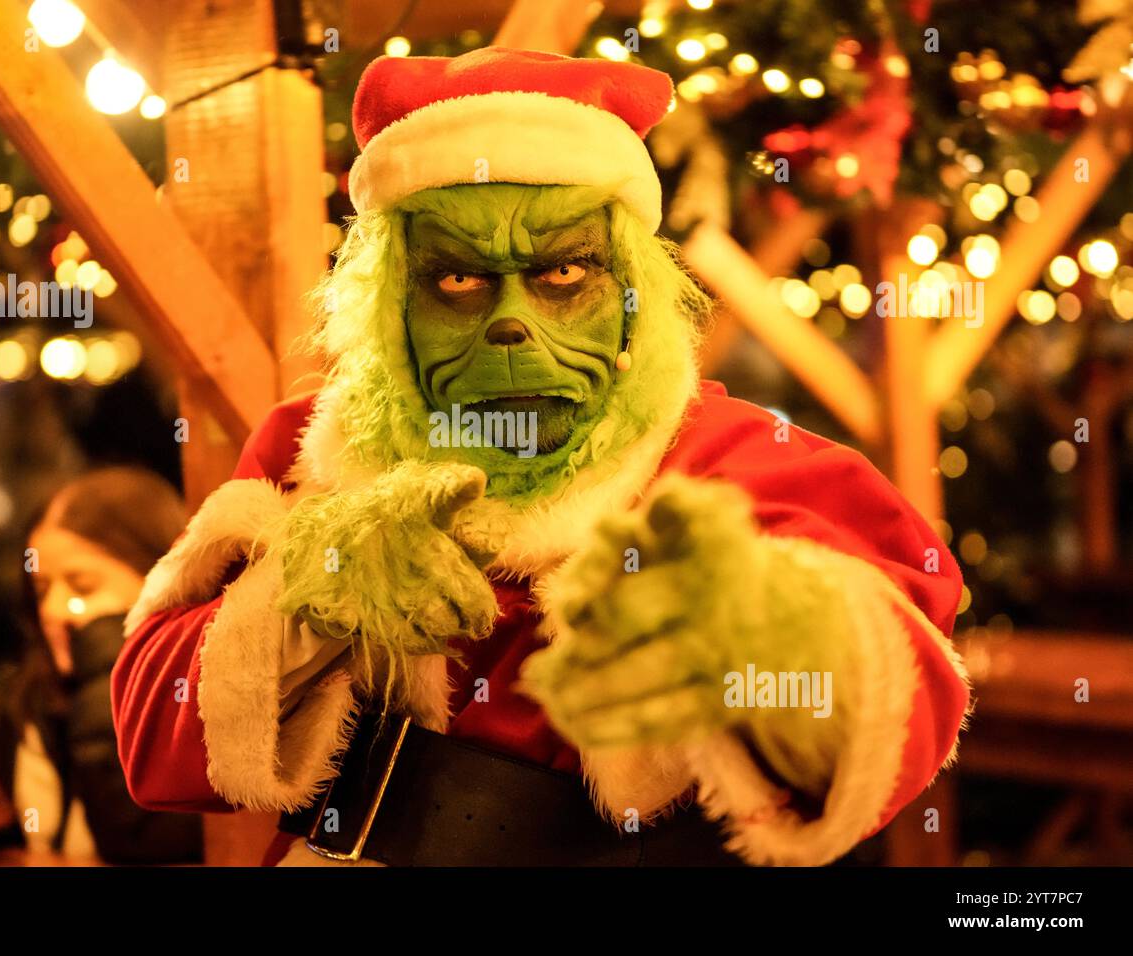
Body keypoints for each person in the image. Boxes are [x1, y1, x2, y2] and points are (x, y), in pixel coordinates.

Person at [112, 48, 971, 867]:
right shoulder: (310, 454)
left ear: (633, 303)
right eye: (457, 280)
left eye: (563, 273)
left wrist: (764, 634)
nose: (510, 325)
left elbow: (899, 711)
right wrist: (309, 593)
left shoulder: (739, 462)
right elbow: (150, 741)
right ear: (389, 313)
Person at [0, 467, 202, 864]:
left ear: (163, 582)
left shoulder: (203, 711)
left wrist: (110, 675)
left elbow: (144, 842)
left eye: (83, 586)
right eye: (41, 590)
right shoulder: (23, 701)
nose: (53, 610)